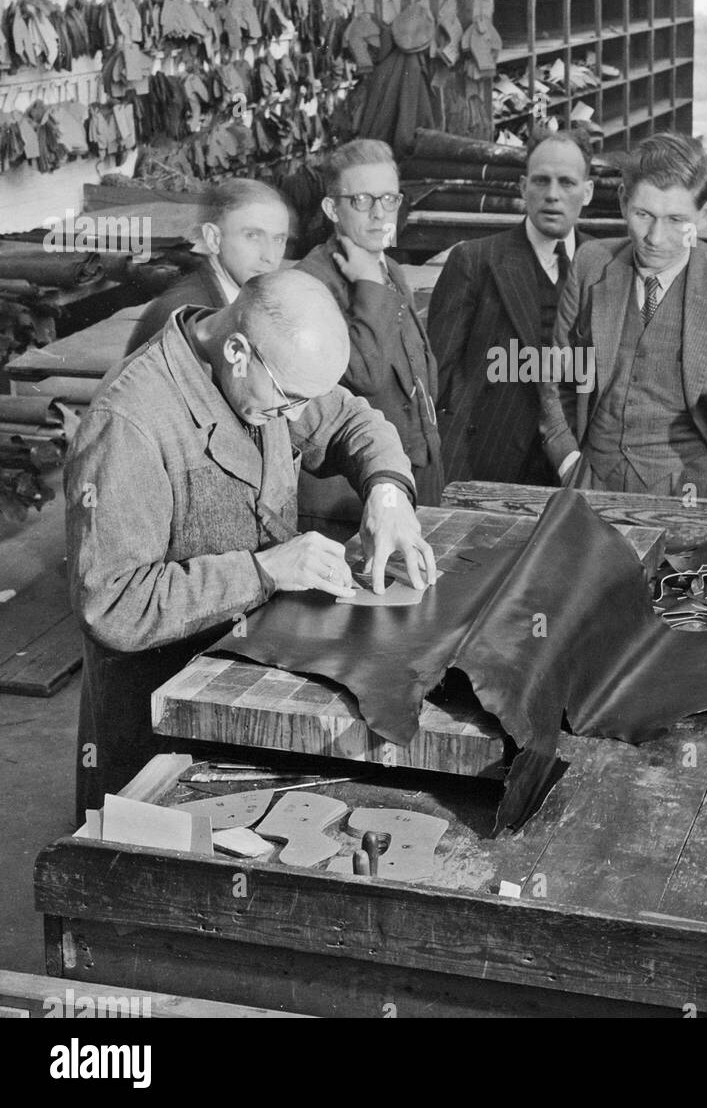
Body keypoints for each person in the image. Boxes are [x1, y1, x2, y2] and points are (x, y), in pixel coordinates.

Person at [66, 269, 437, 814]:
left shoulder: (268, 375)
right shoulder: (130, 421)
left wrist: (386, 493)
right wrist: (265, 571)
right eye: (288, 402)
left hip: (248, 683)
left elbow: (349, 420)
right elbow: (113, 604)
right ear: (238, 350)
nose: (294, 417)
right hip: (159, 718)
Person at [539, 132, 707, 499]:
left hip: (699, 494)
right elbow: (556, 376)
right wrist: (568, 461)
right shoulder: (592, 264)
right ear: (622, 202)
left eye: (676, 220)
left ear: (706, 214)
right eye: (643, 214)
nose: (655, 236)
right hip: (589, 484)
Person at [427, 125, 594, 486]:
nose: (552, 195)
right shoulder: (475, 261)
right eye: (540, 181)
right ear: (522, 188)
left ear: (588, 191)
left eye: (566, 182)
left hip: (577, 457)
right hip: (487, 457)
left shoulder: (604, 264)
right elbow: (437, 375)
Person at [298, 140, 444, 506]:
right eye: (362, 201)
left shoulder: (389, 268)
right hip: (361, 491)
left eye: (389, 200)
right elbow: (367, 376)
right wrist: (367, 285)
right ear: (332, 208)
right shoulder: (312, 282)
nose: (380, 215)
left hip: (417, 470)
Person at [125, 177, 291, 354]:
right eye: (252, 236)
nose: (270, 256)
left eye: (278, 239)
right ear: (213, 238)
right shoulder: (182, 319)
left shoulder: (248, 297)